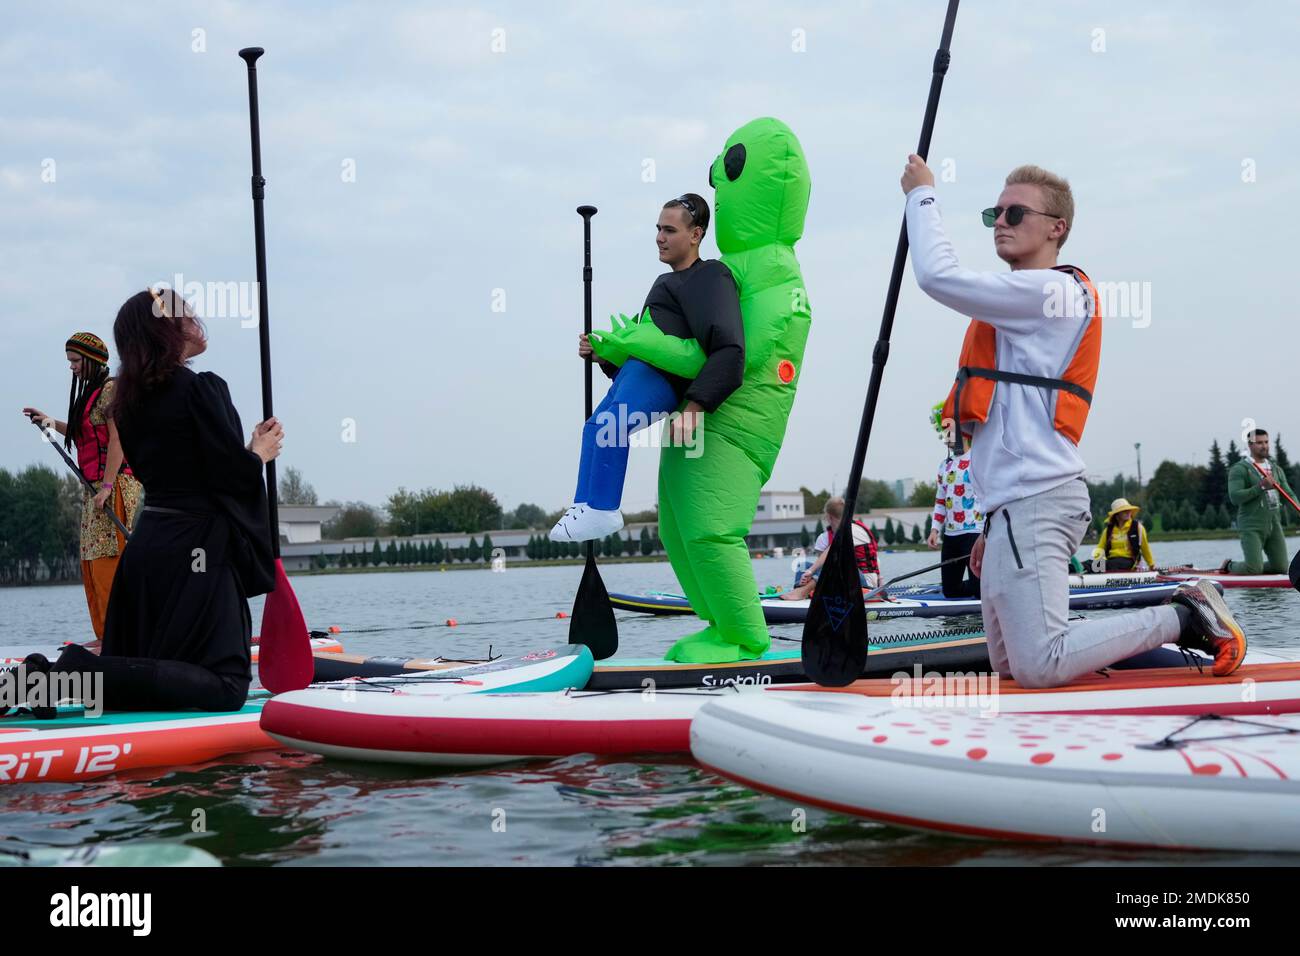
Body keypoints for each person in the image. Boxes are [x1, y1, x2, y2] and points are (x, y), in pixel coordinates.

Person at [901, 155, 1244, 685]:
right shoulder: (1019, 304)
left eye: (1016, 213)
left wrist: (922, 195)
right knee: (1011, 666)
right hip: (1011, 510)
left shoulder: (1054, 292)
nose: (1002, 223)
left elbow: (936, 275)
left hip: (1038, 498)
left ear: (1057, 228)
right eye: (995, 213)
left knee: (1040, 664)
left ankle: (1182, 615)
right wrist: (991, 523)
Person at [20, 288, 283, 713]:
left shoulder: (127, 403)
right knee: (227, 686)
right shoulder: (202, 389)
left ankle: (59, 678)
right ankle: (69, 671)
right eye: (186, 312)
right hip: (198, 550)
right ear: (166, 329)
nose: (196, 318)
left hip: (148, 547)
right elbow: (231, 476)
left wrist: (245, 454)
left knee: (152, 663)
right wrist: (258, 454)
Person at [551, 193, 744, 542]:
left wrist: (695, 408)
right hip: (638, 372)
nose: (659, 237)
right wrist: (605, 358)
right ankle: (584, 504)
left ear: (696, 235)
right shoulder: (663, 282)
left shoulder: (712, 276)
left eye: (669, 230)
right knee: (595, 427)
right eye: (658, 229)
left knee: (611, 426)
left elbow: (729, 350)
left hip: (665, 381)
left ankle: (603, 509)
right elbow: (649, 342)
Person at [22, 333, 143, 639]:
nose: (72, 367)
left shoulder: (111, 390)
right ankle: (105, 633)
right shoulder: (89, 394)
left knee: (106, 558)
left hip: (112, 486)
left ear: (93, 360)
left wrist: (106, 486)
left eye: (76, 361)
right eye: (70, 362)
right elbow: (81, 434)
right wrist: (48, 421)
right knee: (90, 560)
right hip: (96, 489)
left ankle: (121, 634)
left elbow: (118, 439)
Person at [1220, 428, 1295, 574]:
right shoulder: (1240, 469)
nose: (1264, 446)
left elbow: (1289, 494)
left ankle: (1258, 565)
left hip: (1274, 523)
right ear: (1250, 445)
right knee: (1253, 570)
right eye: (1259, 443)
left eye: (1266, 442)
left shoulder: (1276, 469)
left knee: (1281, 568)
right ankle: (1229, 565)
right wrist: (1260, 486)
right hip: (1251, 525)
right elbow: (1235, 497)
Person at [927, 403, 983, 598]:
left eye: (948, 433)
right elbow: (940, 500)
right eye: (943, 434)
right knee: (950, 591)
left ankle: (990, 588)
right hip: (951, 536)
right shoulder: (945, 466)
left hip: (974, 533)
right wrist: (935, 529)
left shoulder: (979, 459)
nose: (945, 439)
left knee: (978, 590)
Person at [781, 497, 880, 601]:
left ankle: (801, 593)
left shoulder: (853, 530)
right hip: (842, 580)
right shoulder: (832, 535)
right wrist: (809, 573)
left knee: (834, 563)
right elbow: (822, 564)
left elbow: (831, 551)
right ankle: (800, 590)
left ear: (828, 517)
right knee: (803, 564)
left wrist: (811, 571)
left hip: (864, 584)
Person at [1090, 497, 1156, 572]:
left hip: (1130, 561)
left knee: (1109, 564)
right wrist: (1096, 562)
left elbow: (1145, 548)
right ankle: (1077, 568)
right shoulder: (1108, 530)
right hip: (1111, 561)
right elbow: (1100, 548)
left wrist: (1151, 565)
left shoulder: (1138, 528)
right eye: (1124, 511)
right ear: (1116, 515)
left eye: (1129, 510)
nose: (1128, 512)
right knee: (1090, 564)